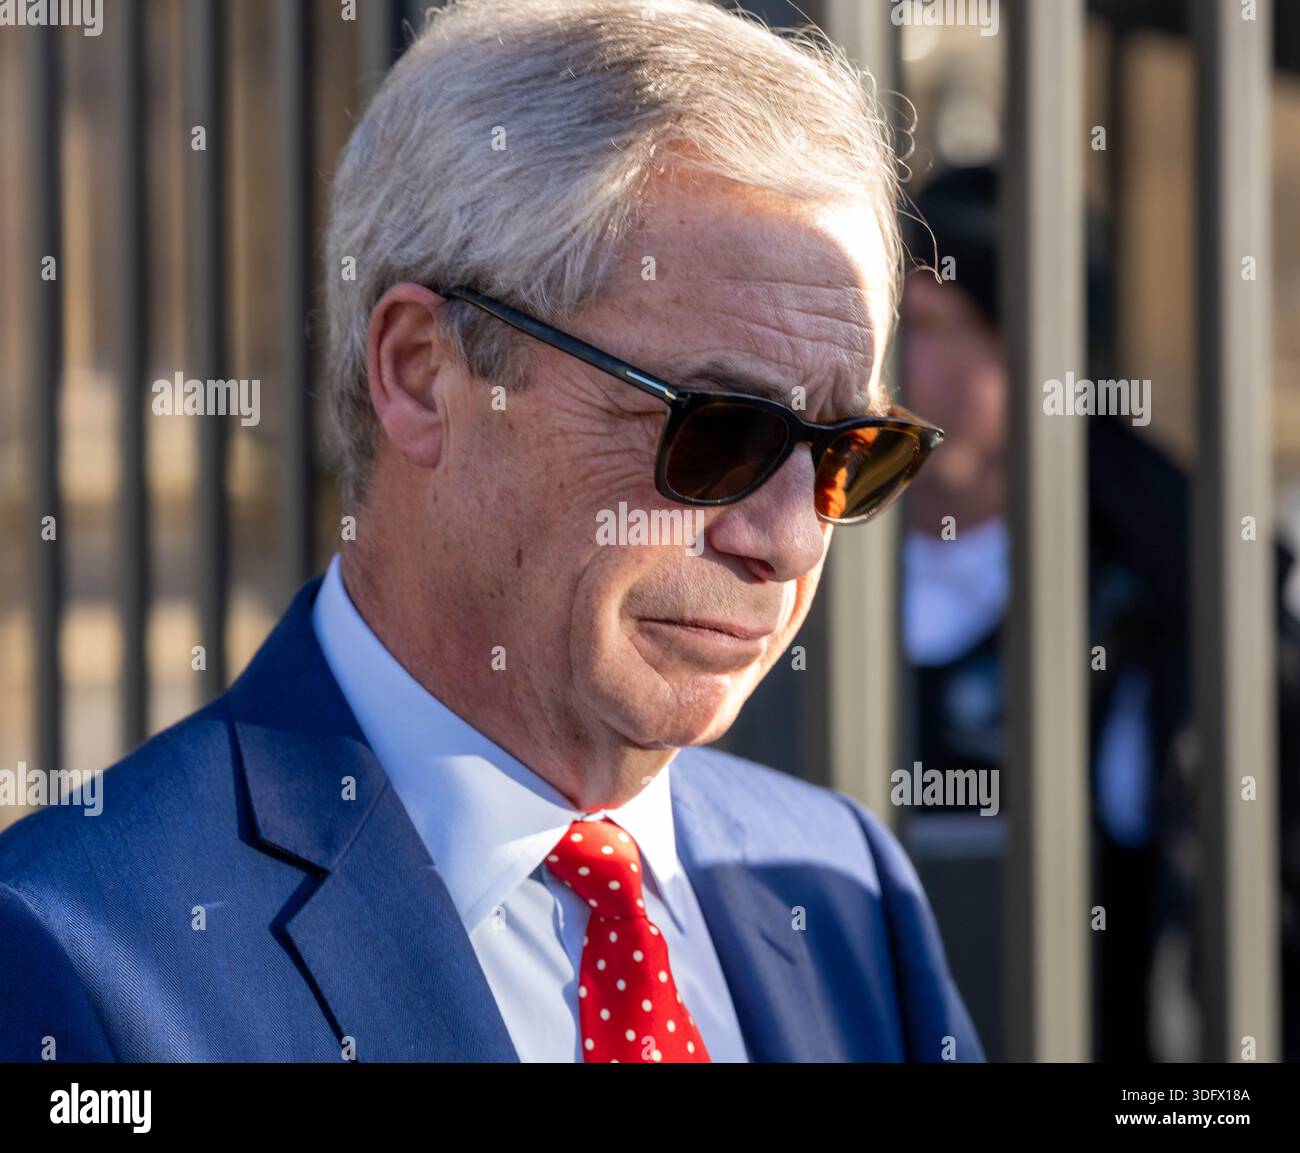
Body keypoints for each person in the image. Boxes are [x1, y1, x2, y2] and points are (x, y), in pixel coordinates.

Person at [0, 0, 981, 1063]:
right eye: (718, 432)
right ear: (423, 373)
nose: (788, 538)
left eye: (850, 452)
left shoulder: (839, 886)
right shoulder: (79, 954)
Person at [900, 164, 1300, 1061]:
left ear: (1030, 350)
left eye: (926, 327)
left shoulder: (1174, 591)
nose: (891, 362)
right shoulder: (792, 562)